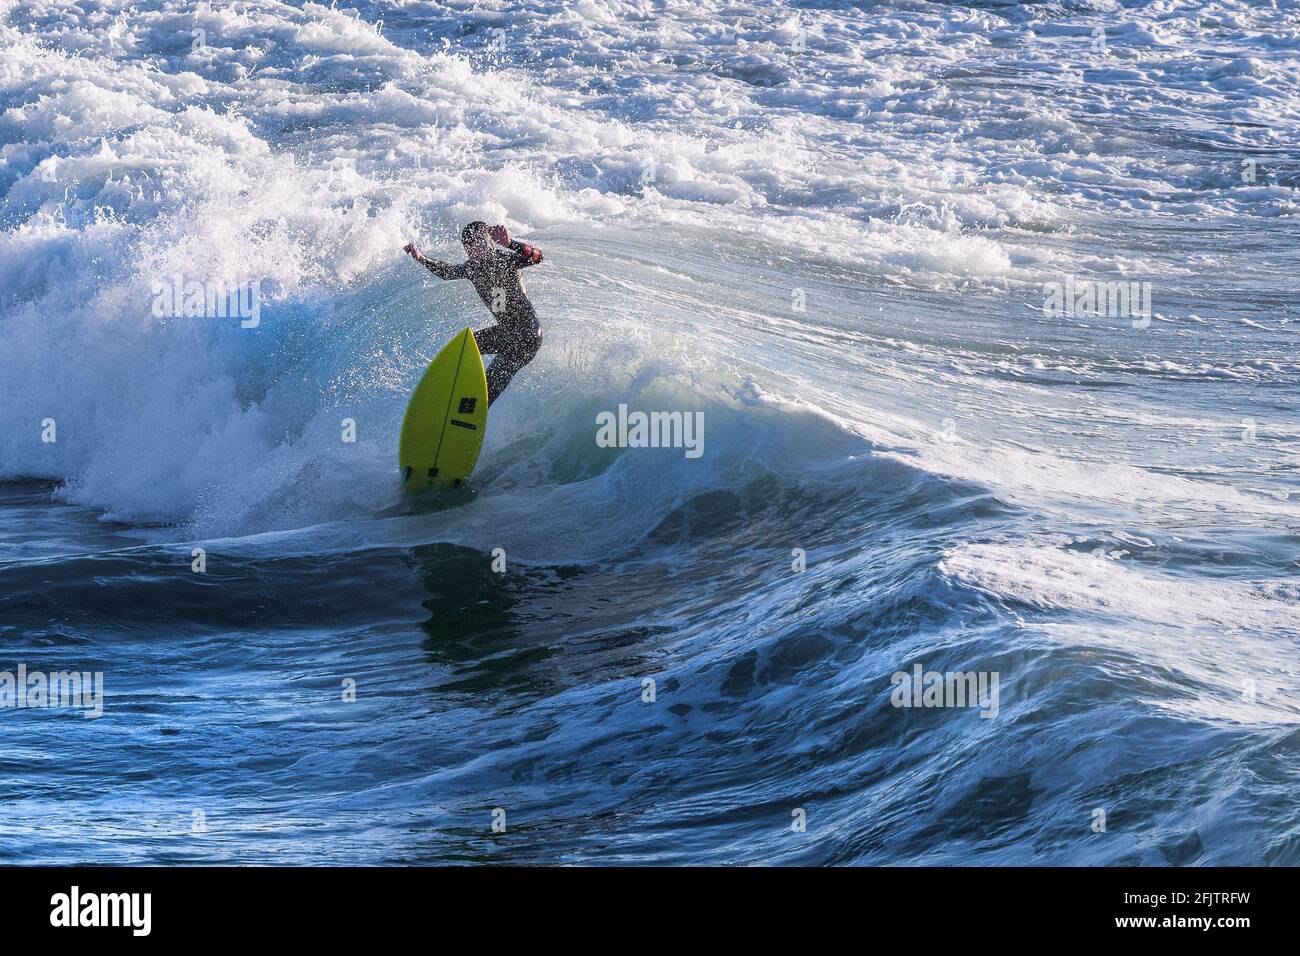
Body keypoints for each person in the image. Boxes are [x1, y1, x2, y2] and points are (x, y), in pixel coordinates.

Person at [404, 222, 544, 406]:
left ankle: (446, 394)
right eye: (468, 247)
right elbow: (447, 272)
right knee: (485, 390)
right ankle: (466, 417)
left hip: (525, 334)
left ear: (488, 242)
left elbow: (537, 257)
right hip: (516, 339)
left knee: (466, 348)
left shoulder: (504, 260)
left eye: (476, 244)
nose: (472, 251)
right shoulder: (472, 268)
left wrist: (510, 243)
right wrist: (421, 258)